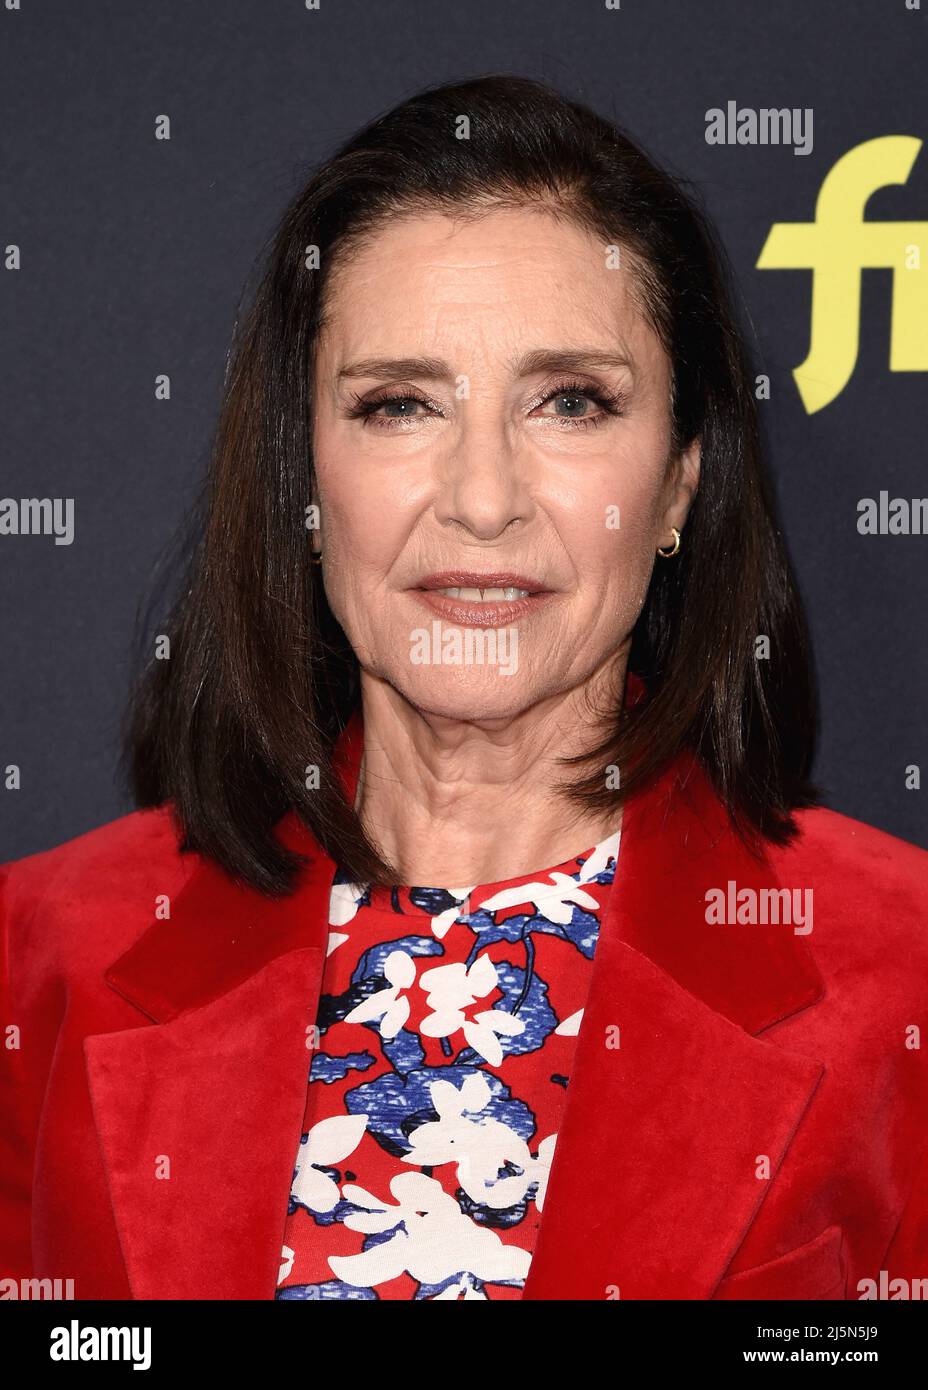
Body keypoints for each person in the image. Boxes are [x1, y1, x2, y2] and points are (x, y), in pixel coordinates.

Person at [1, 75, 926, 1302]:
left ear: (677, 484)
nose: (481, 497)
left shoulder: (901, 969)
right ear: (307, 480)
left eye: (570, 402)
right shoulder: (39, 954)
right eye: (399, 404)